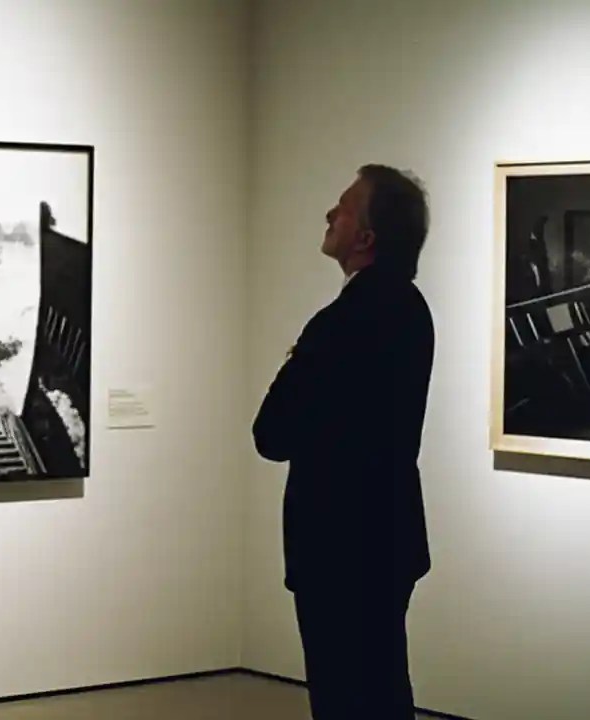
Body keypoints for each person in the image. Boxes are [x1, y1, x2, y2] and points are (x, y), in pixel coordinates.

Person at [252, 164, 435, 719]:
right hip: (389, 537)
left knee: (341, 696)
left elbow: (271, 433)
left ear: (366, 237)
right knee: (383, 687)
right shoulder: (412, 309)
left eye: (344, 207)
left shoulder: (339, 322)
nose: (330, 215)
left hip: (336, 545)